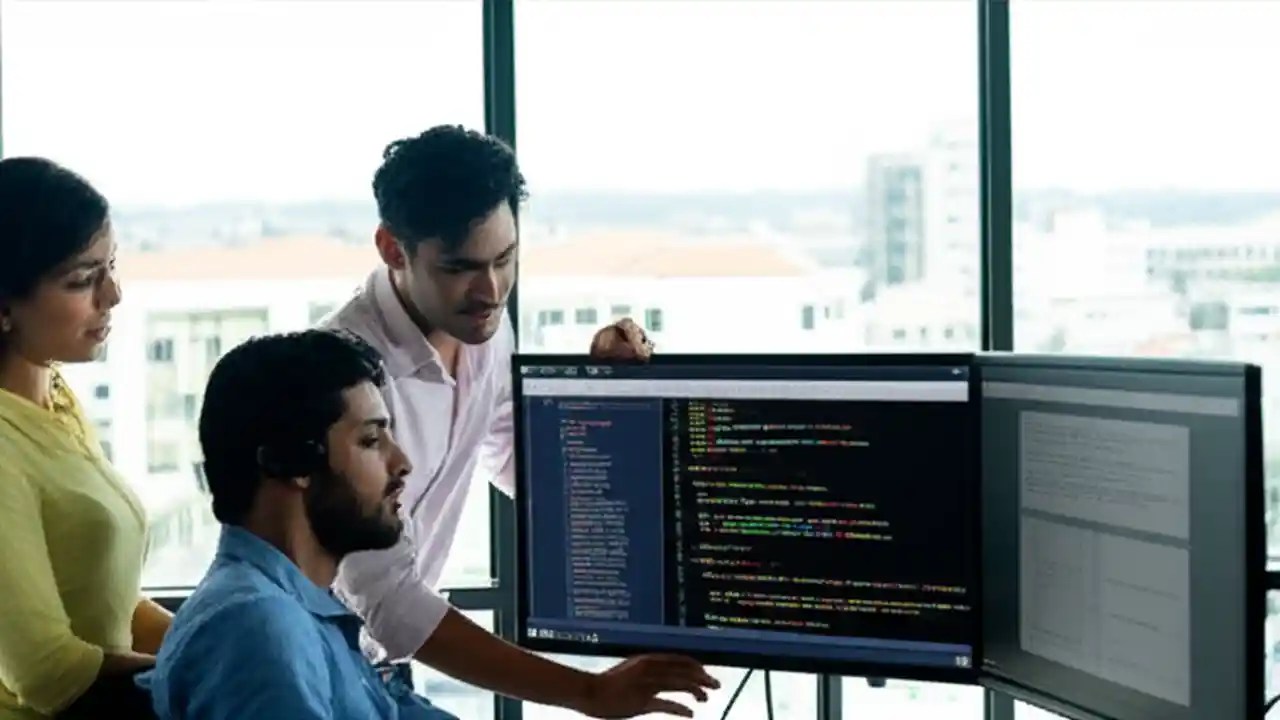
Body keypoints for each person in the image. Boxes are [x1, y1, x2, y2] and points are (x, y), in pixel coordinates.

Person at [320, 125, 717, 717]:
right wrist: (588, 691)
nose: (491, 289)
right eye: (460, 267)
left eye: (505, 259)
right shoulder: (344, 371)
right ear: (392, 249)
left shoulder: (483, 331)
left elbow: (522, 469)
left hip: (384, 672)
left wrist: (600, 395)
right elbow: (388, 598)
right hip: (324, 675)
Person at [141, 330, 458, 719]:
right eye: (371, 440)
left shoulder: (305, 613)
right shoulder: (257, 627)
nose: (402, 462)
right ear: (292, 461)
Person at [0, 157, 170, 719]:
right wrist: (214, 676)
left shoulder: (54, 396)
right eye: (82, 280)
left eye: (111, 267)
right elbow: (53, 675)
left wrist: (230, 645)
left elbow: (108, 602)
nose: (113, 295)